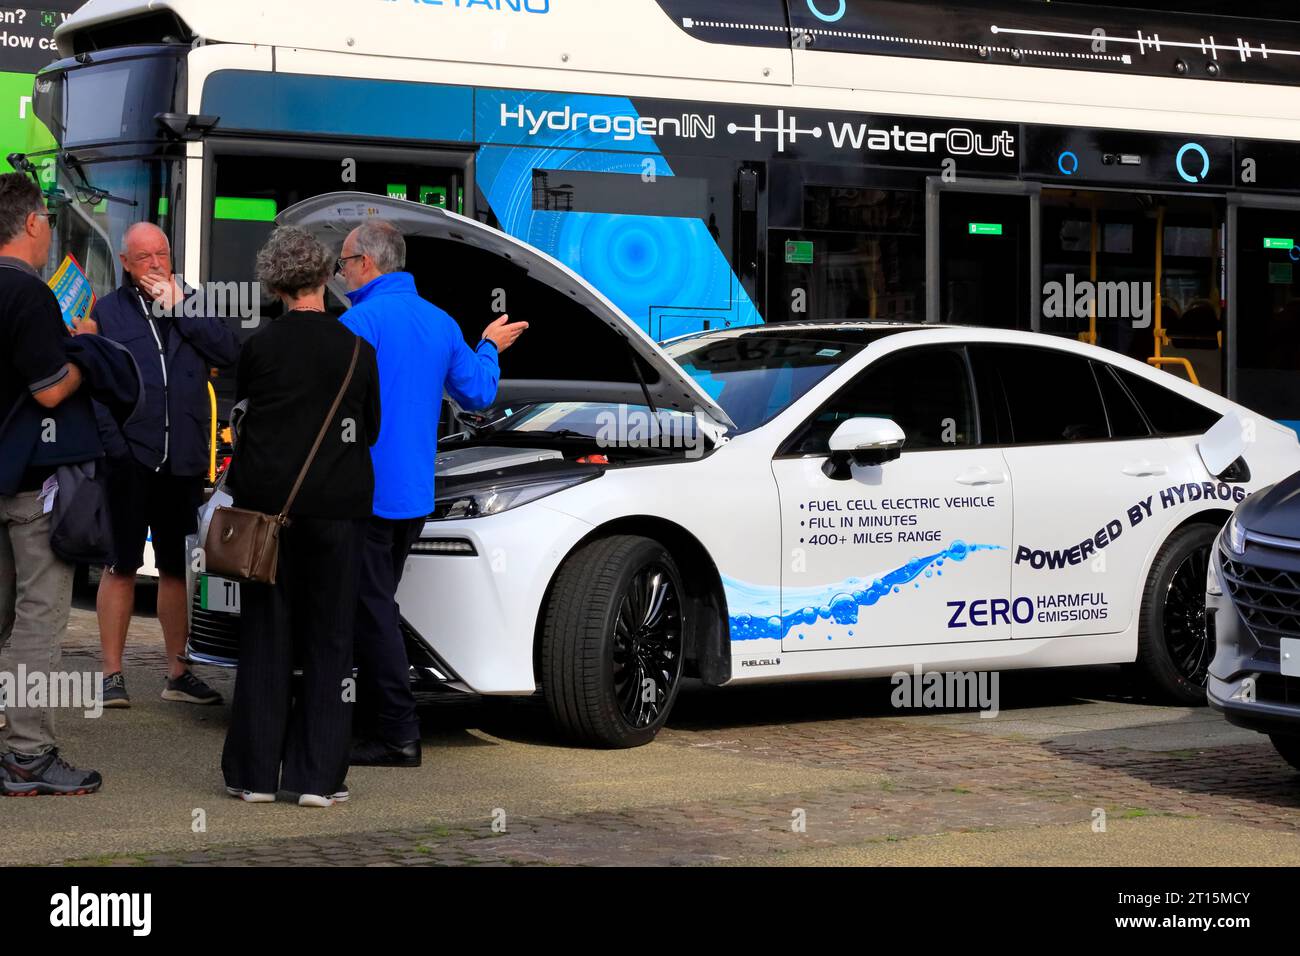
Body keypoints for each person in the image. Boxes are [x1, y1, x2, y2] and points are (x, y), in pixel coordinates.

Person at [338, 220, 527, 766]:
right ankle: (368, 718)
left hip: (363, 493)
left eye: (346, 262)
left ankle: (398, 732)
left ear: (368, 264)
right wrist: (488, 346)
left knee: (369, 612)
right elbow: (479, 393)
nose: (342, 272)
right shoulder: (441, 322)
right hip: (414, 496)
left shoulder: (358, 322)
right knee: (373, 608)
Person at [221, 227, 380, 806]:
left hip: (269, 514)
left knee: (266, 635)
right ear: (323, 278)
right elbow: (371, 429)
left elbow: (247, 424)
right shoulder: (357, 349)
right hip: (339, 510)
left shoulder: (259, 347)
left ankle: (254, 775)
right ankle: (318, 779)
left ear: (276, 284)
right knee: (331, 639)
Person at [78, 222, 239, 708]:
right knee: (121, 564)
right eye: (144, 257)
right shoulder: (107, 312)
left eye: (162, 254)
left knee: (174, 567)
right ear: (125, 263)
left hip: (184, 460)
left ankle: (177, 673)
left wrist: (182, 308)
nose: (155, 265)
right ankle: (111, 675)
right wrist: (116, 446)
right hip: (129, 461)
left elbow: (229, 351)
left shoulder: (192, 301)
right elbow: (96, 389)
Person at [0, 172, 101, 795]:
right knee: (39, 620)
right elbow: (49, 388)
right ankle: (27, 754)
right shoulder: (29, 295)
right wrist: (84, 348)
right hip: (31, 486)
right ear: (33, 223)